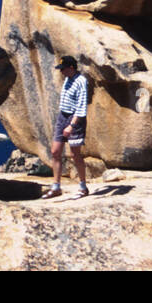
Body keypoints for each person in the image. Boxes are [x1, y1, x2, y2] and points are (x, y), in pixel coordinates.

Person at [42, 56, 89, 200]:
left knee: (75, 154)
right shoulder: (68, 78)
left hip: (74, 119)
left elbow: (81, 107)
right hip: (62, 116)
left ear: (71, 68)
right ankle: (56, 187)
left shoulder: (81, 82)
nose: (61, 72)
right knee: (55, 151)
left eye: (63, 69)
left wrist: (71, 126)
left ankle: (83, 186)